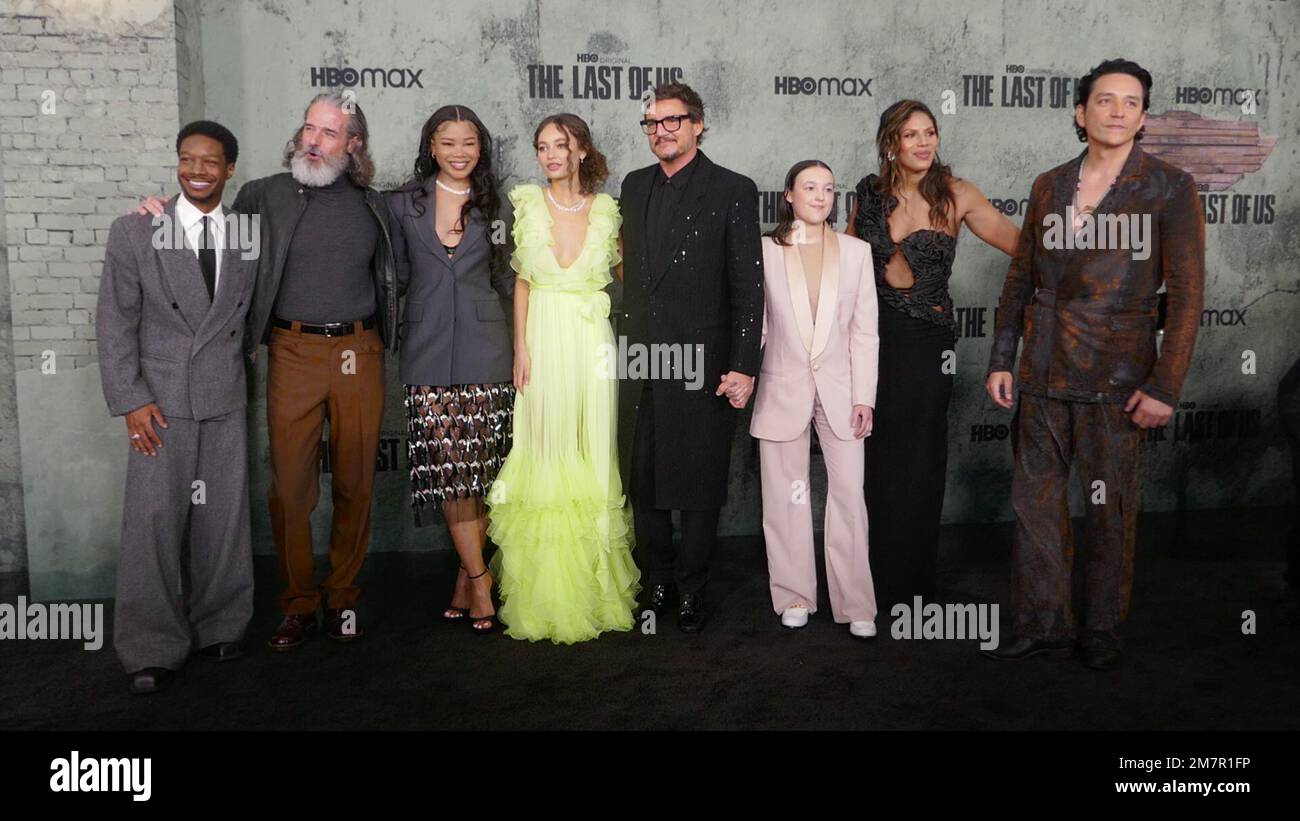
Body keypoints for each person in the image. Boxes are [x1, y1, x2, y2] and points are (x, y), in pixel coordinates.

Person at [141, 91, 400, 649]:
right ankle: (300, 602)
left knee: (356, 482)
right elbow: (202, 225)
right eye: (309, 127)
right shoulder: (264, 196)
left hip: (361, 352)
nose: (312, 140)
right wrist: (158, 215)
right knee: (290, 490)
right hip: (291, 349)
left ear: (353, 144)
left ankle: (343, 599)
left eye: (329, 133)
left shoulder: (375, 205)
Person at [982, 59, 1206, 670]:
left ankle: (1101, 630)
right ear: (1080, 113)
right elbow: (1021, 276)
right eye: (1103, 100)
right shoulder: (1049, 184)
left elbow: (1186, 296)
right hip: (1042, 374)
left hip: (1119, 378)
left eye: (1130, 102)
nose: (1116, 111)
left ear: (1142, 116)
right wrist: (1004, 357)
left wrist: (1165, 385)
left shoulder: (1169, 186)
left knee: (1109, 513)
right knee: (1034, 510)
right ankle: (1042, 625)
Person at [98, 121, 256, 694]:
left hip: (223, 393)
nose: (197, 171)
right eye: (187, 160)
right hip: (159, 402)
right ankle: (149, 646)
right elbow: (115, 322)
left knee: (225, 519)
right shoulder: (136, 231)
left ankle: (221, 625)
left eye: (210, 162)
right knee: (153, 522)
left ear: (230, 169)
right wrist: (130, 400)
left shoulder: (246, 232)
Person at [847, 100, 1020, 613]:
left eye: (930, 133)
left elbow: (1023, 245)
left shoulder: (957, 194)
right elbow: (848, 266)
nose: (923, 143)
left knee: (919, 458)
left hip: (927, 345)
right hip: (874, 341)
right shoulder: (870, 197)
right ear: (890, 144)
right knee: (877, 457)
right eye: (911, 135)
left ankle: (912, 585)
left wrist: (1087, 257)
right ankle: (872, 582)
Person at [485, 113, 641, 643]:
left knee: (596, 454)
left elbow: (633, 277)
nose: (551, 155)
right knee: (546, 453)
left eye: (561, 145)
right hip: (544, 341)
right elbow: (523, 284)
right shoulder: (527, 203)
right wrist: (521, 349)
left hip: (593, 341)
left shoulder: (607, 211)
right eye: (543, 146)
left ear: (581, 152)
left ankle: (598, 593)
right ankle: (545, 595)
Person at [618, 81, 764, 633]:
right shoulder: (632, 187)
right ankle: (655, 578)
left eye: (672, 121)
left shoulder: (733, 189)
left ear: (699, 124)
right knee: (644, 476)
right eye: (652, 123)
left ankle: (692, 586)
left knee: (699, 480)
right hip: (640, 360)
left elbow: (749, 285)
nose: (661, 131)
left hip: (705, 362)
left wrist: (744, 363)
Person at [385, 105, 515, 634]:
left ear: (480, 148)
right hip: (426, 349)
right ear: (431, 147)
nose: (459, 152)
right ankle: (482, 578)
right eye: (448, 142)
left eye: (469, 142)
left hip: (488, 349)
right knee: (449, 471)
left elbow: (510, 279)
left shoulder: (499, 204)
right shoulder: (399, 205)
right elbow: (387, 271)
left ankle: (465, 576)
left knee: (478, 472)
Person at [751, 160, 880, 638]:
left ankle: (856, 604)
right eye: (810, 187)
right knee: (787, 497)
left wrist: (864, 396)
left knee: (849, 495)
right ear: (789, 194)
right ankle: (794, 595)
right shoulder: (764, 251)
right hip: (782, 386)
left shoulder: (856, 252)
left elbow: (865, 333)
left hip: (843, 393)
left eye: (828, 188)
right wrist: (741, 373)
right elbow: (756, 324)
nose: (821, 196)